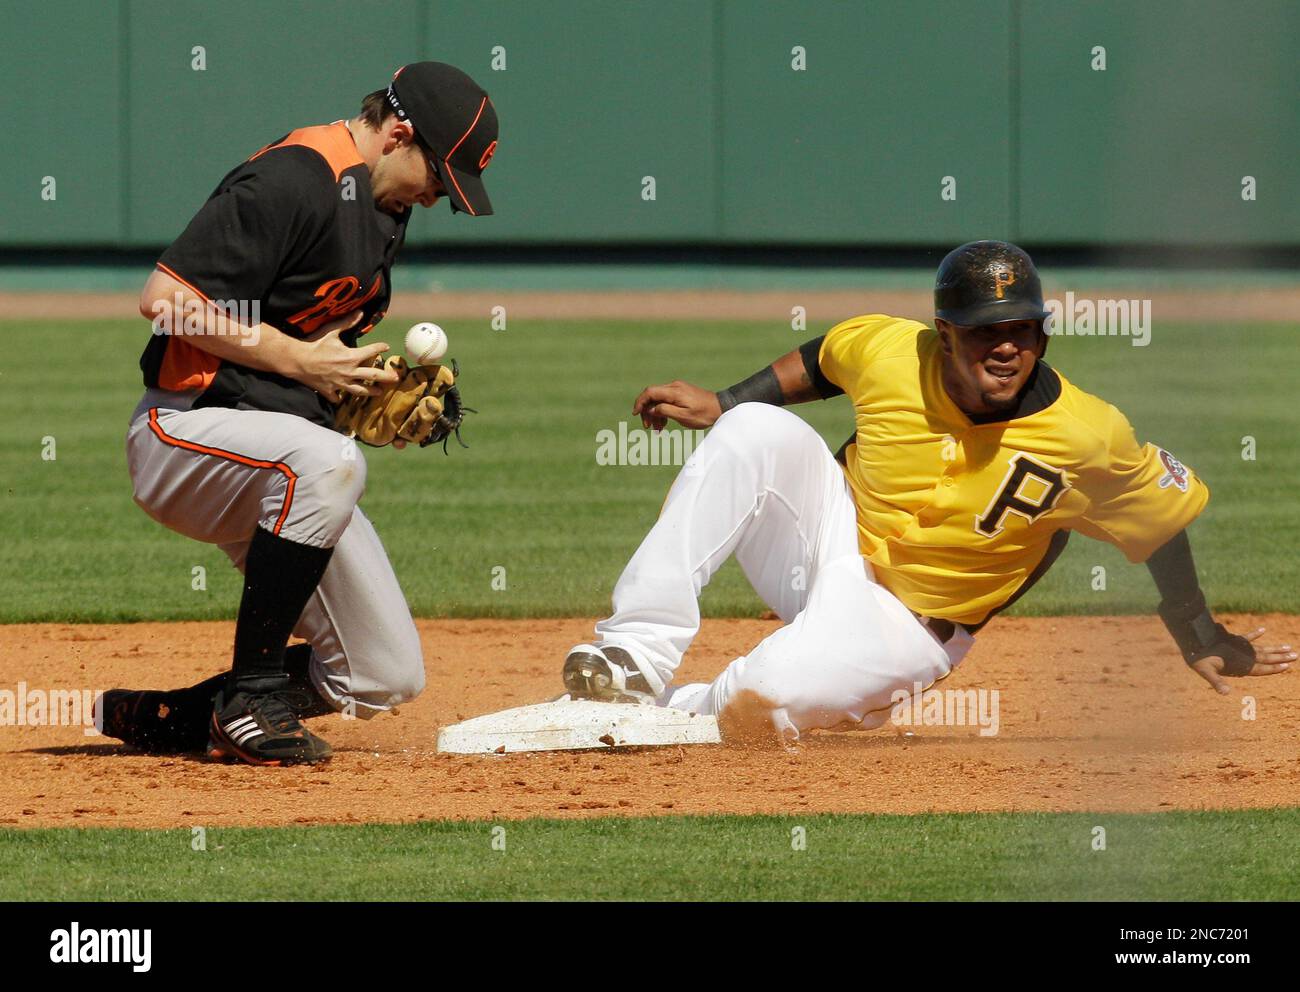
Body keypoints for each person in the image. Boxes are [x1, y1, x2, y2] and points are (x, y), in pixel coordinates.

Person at [563, 241, 1294, 742]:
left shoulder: (1090, 436)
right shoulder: (892, 350)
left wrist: (1199, 634)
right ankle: (635, 657)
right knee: (753, 428)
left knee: (768, 697)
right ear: (944, 334)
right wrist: (725, 401)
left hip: (909, 627)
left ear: (1042, 335)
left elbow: (1160, 522)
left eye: (1022, 330)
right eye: (984, 332)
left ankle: (672, 718)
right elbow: (825, 359)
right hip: (830, 541)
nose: (1005, 346)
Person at [95, 62, 500, 765]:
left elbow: (314, 351)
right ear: (399, 135)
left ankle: (179, 717)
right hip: (180, 430)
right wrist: (299, 363)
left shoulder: (384, 213)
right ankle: (253, 694)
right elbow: (164, 300)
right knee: (326, 461)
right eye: (440, 177)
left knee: (384, 673)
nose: (440, 197)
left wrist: (360, 390)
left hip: (268, 451)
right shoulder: (293, 178)